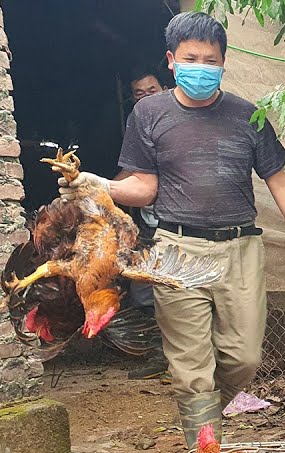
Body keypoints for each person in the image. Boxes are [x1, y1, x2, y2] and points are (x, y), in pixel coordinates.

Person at [60, 11, 285, 445]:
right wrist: (102, 185)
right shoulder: (149, 113)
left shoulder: (247, 115)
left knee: (244, 358)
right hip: (177, 250)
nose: (202, 68)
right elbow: (145, 188)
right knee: (191, 368)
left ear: (223, 62)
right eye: (191, 59)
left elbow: (279, 181)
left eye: (211, 61)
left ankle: (204, 421)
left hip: (240, 248)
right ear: (172, 61)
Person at [116, 68, 169, 379]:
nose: (146, 97)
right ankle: (160, 355)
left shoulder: (178, 122)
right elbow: (130, 171)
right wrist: (103, 189)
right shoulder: (138, 128)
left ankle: (190, 359)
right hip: (149, 228)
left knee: (180, 292)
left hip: (180, 225)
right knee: (142, 293)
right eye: (139, 93)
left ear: (165, 88)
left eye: (151, 90)